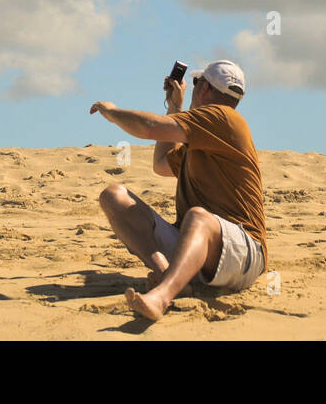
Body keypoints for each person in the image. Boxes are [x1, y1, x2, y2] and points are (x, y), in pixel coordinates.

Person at [89, 60, 267, 321]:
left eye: (196, 83)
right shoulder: (205, 135)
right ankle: (166, 272)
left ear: (204, 88)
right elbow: (162, 164)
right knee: (113, 196)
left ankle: (162, 296)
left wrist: (113, 112)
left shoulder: (224, 118)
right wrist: (174, 106)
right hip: (198, 251)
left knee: (198, 217)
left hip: (244, 254)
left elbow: (150, 128)